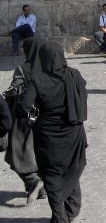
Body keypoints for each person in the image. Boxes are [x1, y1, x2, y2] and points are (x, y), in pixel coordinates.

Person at [19, 39, 88, 222]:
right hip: (73, 135)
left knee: (52, 175)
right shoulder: (74, 75)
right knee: (72, 169)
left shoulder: (38, 80)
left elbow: (24, 106)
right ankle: (71, 210)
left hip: (48, 138)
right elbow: (82, 96)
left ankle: (59, 216)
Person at [4, 37, 45, 204]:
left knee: (15, 152)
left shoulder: (22, 69)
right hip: (47, 119)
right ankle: (41, 187)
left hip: (26, 118)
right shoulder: (49, 67)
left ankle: (33, 181)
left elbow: (15, 91)